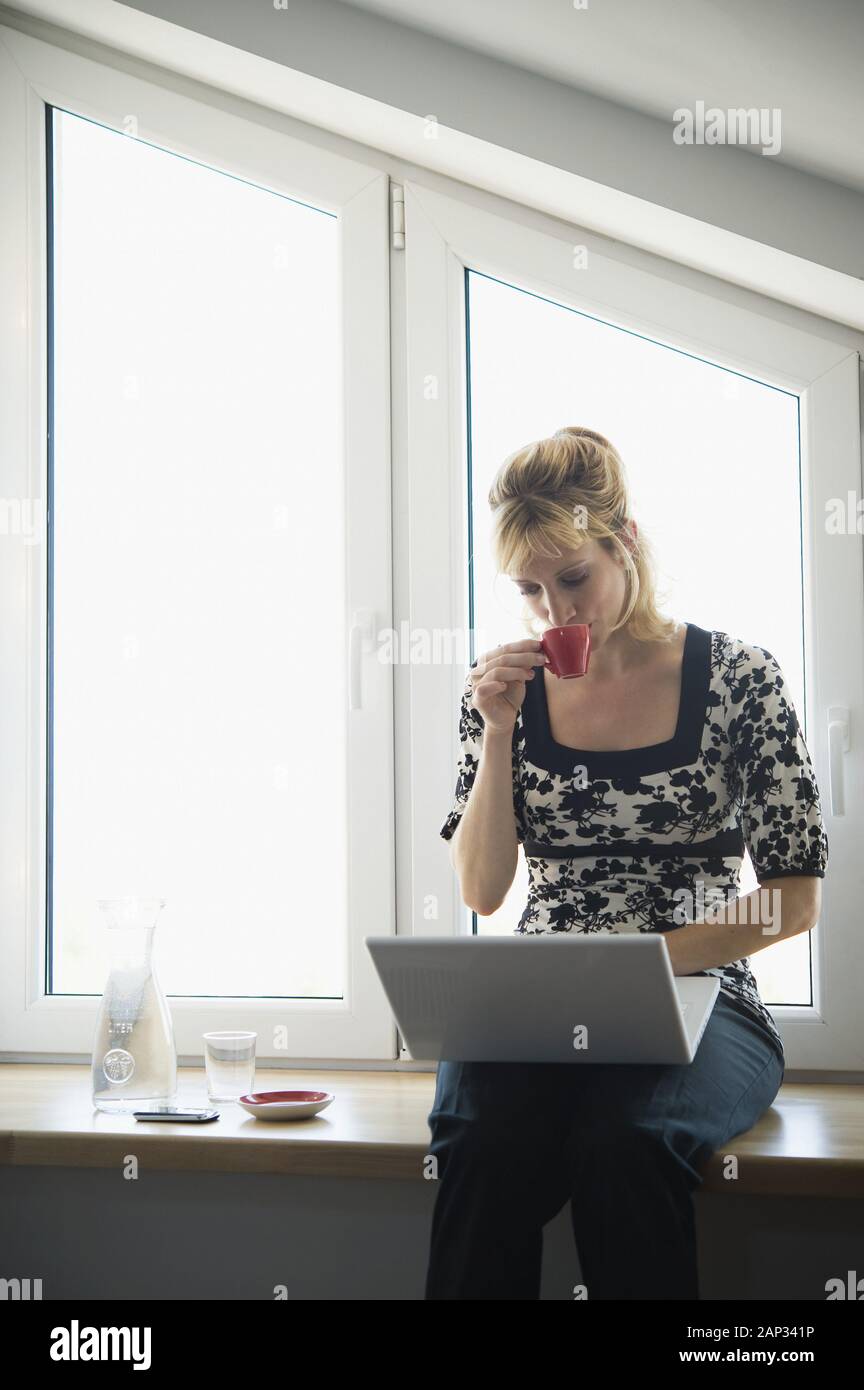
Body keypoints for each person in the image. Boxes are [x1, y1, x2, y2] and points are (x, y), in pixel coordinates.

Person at [425, 425, 828, 1301]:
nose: (554, 614)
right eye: (528, 590)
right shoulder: (504, 694)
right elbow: (483, 890)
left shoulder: (737, 679)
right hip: (544, 992)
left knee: (625, 1144)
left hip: (702, 993)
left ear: (626, 544)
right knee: (477, 1140)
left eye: (573, 578)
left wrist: (647, 963)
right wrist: (497, 733)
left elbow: (792, 902)